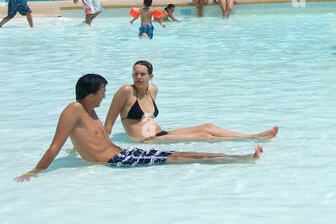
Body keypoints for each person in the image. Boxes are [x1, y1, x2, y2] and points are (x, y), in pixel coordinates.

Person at [14, 74, 262, 180]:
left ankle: (238, 157)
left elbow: (84, 139)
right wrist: (35, 171)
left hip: (123, 153)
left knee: (181, 156)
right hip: (118, 160)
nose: (103, 98)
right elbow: (55, 145)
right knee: (180, 158)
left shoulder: (89, 112)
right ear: (89, 95)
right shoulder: (74, 110)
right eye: (101, 93)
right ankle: (240, 158)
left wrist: (75, 152)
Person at [103, 60, 279, 143]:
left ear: (151, 76)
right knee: (204, 136)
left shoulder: (153, 90)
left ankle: (253, 136)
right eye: (135, 73)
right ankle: (251, 140)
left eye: (143, 74)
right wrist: (101, 144)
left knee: (209, 126)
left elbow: (149, 119)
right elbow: (109, 121)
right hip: (145, 140)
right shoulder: (126, 91)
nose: (138, 77)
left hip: (160, 134)